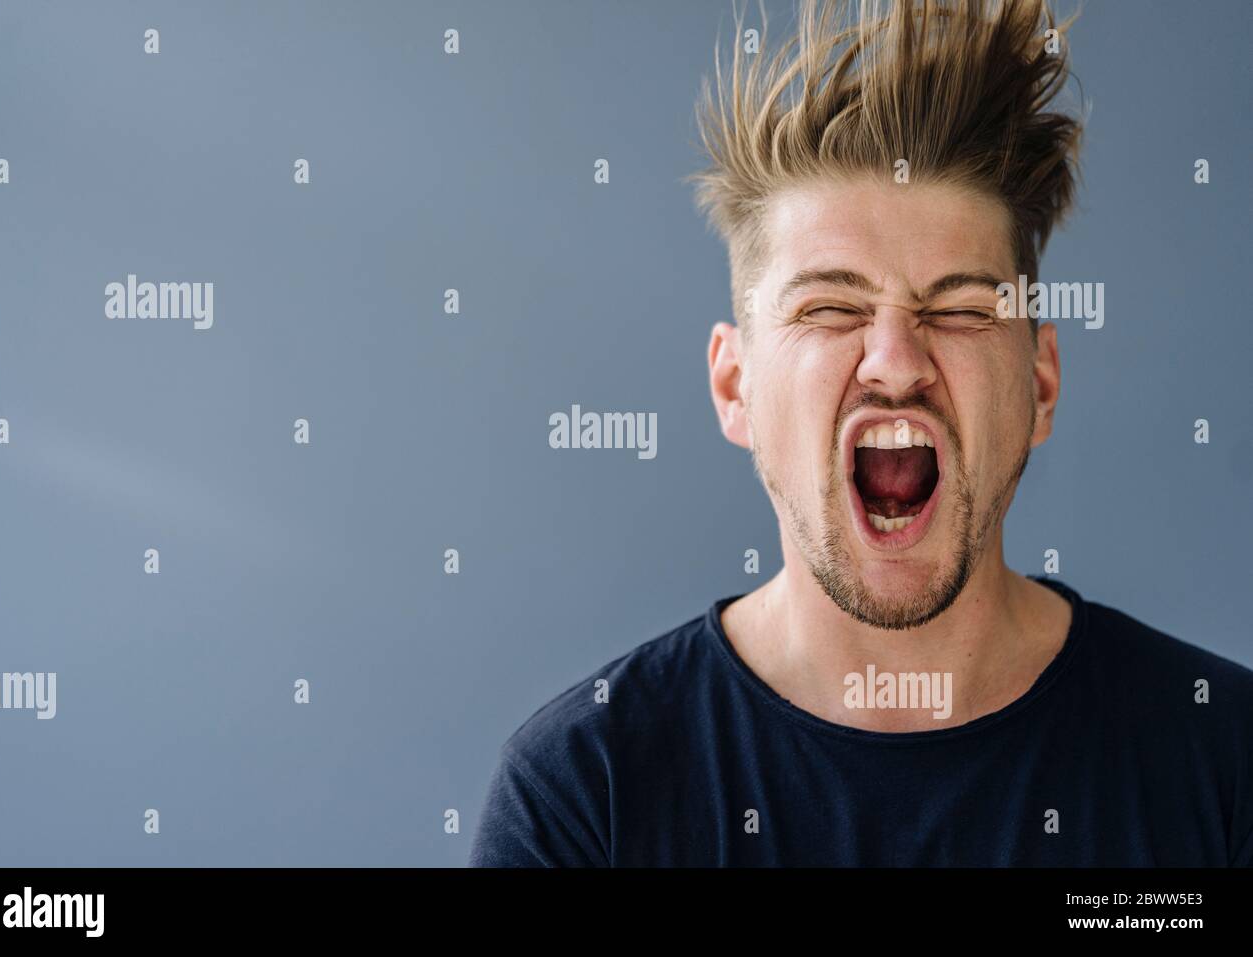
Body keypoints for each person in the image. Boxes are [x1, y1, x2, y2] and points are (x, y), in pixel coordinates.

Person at [469, 0, 1253, 866]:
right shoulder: (584, 797)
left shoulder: (1225, 760)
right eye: (830, 306)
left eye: (958, 307)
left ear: (1040, 382)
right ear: (736, 386)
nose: (894, 361)